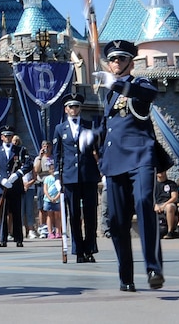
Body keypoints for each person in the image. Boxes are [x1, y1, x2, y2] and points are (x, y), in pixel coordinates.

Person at [91, 39, 164, 291]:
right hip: (114, 162)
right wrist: (90, 137)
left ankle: (153, 268)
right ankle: (126, 277)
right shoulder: (109, 96)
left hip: (141, 156)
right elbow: (108, 128)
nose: (116, 62)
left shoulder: (140, 83)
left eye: (121, 58)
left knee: (144, 202)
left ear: (130, 63)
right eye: (112, 59)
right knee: (116, 220)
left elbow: (149, 95)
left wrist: (115, 83)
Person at [51, 92, 101, 263]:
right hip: (70, 176)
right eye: (71, 107)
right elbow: (57, 154)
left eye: (76, 106)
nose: (74, 109)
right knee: (74, 215)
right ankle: (78, 250)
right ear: (66, 109)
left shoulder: (89, 125)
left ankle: (90, 249)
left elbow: (98, 150)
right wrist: (57, 177)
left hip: (88, 175)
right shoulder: (60, 129)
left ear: (80, 108)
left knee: (90, 214)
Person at [0, 126, 33, 248]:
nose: (8, 138)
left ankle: (18, 238)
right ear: (2, 137)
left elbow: (28, 164)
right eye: (6, 136)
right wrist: (1, 180)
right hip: (2, 187)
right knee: (2, 214)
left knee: (17, 214)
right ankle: (2, 239)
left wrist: (17, 174)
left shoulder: (20, 150)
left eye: (10, 136)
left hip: (15, 186)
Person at [154, 171, 179, 239]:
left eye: (162, 170)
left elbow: (174, 197)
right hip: (157, 205)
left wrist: (164, 205)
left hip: (168, 204)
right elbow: (150, 197)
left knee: (169, 207)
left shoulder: (171, 184)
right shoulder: (153, 185)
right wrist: (155, 205)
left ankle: (170, 232)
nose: (161, 172)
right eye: (159, 171)